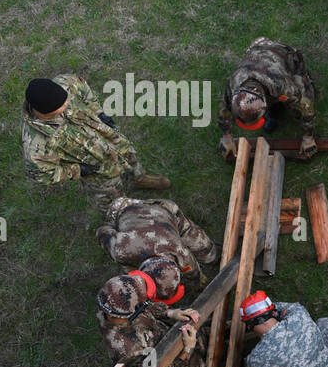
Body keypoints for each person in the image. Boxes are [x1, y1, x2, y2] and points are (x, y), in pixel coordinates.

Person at [22, 75, 169, 209]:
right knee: (111, 200)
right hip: (97, 171)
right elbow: (41, 175)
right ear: (44, 112)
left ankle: (139, 179)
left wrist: (99, 113)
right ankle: (121, 217)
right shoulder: (37, 145)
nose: (68, 102)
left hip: (112, 141)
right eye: (62, 105)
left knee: (130, 158)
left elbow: (85, 92)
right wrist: (77, 170)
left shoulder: (66, 83)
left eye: (66, 99)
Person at [96, 259, 203, 367]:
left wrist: (170, 312)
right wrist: (187, 350)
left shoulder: (112, 305)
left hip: (174, 334)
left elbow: (144, 307)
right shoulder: (129, 350)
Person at [216, 37, 318, 160]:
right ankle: (275, 111)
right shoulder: (234, 85)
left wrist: (308, 137)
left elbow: (304, 105)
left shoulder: (281, 86)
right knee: (279, 101)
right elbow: (224, 109)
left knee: (303, 95)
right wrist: (227, 137)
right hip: (257, 48)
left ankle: (306, 81)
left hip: (282, 55)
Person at [97, 197, 218, 291]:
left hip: (161, 209)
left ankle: (214, 257)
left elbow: (193, 272)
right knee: (128, 269)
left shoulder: (180, 252)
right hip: (126, 211)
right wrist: (116, 223)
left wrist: (201, 284)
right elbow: (103, 232)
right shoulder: (121, 251)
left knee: (204, 250)